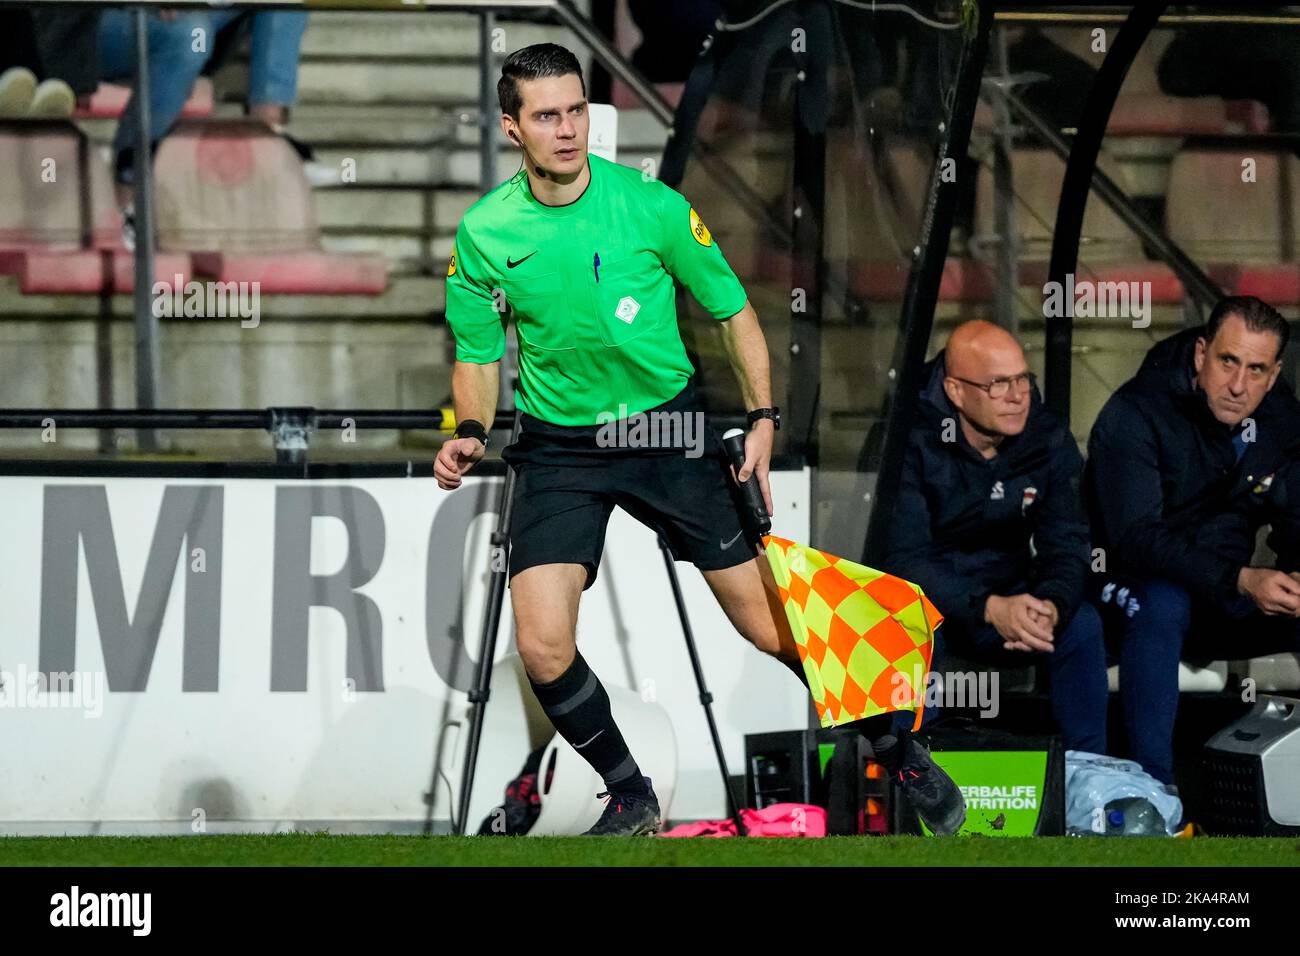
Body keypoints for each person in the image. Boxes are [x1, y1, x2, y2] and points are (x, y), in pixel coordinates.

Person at [436, 43, 965, 836]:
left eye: (576, 109)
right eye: (546, 116)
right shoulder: (485, 232)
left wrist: (762, 418)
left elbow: (735, 311)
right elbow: (477, 356)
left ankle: (899, 748)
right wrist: (470, 430)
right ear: (513, 127)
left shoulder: (652, 207)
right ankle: (630, 793)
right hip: (559, 448)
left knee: (767, 628)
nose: (568, 129)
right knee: (543, 647)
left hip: (669, 431)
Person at [1086, 296, 1300, 785]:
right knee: (1162, 603)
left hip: (1223, 599)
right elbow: (1135, 539)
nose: (1239, 385)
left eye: (1256, 369)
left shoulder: (1281, 419)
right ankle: (1153, 789)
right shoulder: (1136, 411)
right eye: (1228, 361)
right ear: (1202, 354)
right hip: (1124, 596)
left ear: (1273, 373)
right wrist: (1242, 579)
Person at [887, 320, 1108, 754]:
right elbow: (903, 559)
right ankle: (912, 778)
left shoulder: (1046, 436)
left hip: (1010, 593)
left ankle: (1088, 779)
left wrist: (1051, 604)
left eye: (1023, 379)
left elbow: (1067, 541)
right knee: (907, 629)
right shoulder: (907, 437)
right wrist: (988, 608)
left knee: (1082, 625)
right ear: (955, 390)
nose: (1017, 396)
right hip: (932, 603)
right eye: (998, 384)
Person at [97, 8, 320, 247]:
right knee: (191, 33)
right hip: (98, 22)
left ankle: (268, 132)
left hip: (183, 20)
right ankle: (130, 192)